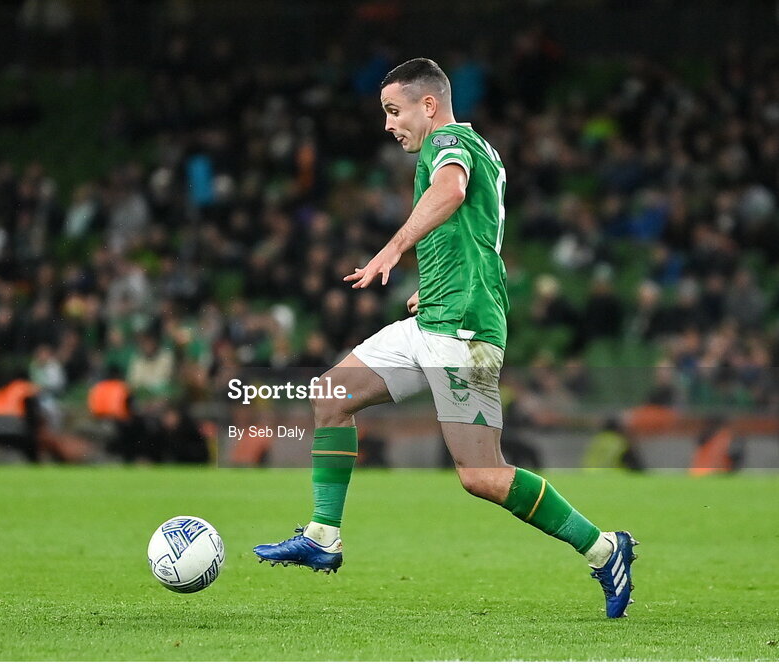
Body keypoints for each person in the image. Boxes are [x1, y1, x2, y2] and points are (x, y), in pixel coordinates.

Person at [253, 58, 638, 619]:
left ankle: (605, 549)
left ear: (427, 105)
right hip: (435, 315)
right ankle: (322, 535)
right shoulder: (478, 146)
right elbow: (477, 232)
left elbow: (452, 192)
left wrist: (392, 250)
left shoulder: (449, 142)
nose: (388, 124)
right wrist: (430, 282)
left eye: (393, 110)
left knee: (481, 475)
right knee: (331, 394)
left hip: (464, 332)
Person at [0, 371, 68, 463]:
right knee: (32, 442)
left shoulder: (0, 391)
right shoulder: (25, 388)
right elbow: (32, 412)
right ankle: (36, 463)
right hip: (14, 428)